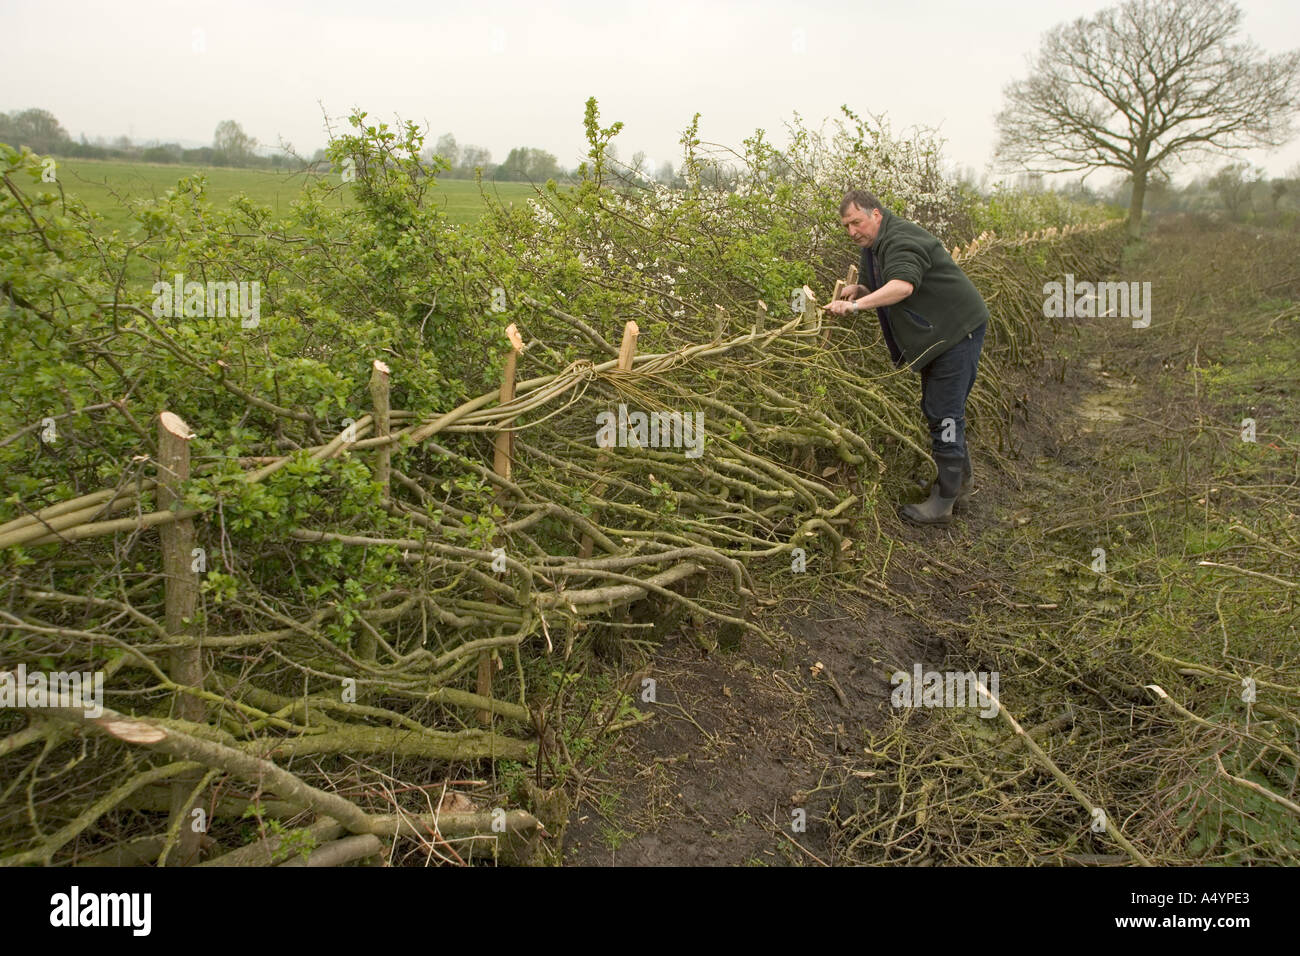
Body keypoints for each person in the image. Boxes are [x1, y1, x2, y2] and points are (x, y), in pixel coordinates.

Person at [826, 189, 989, 526]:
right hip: (940, 335)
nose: (852, 231)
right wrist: (862, 290)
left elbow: (902, 286)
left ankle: (944, 501)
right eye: (846, 226)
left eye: (856, 222)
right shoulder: (873, 246)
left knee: (944, 412)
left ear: (876, 215)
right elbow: (884, 285)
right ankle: (959, 486)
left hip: (956, 332)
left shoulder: (898, 240)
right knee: (941, 409)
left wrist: (854, 306)